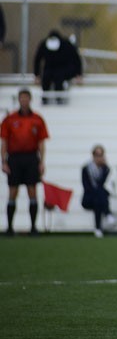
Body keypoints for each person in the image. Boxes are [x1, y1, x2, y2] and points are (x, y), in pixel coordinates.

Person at [1, 89, 48, 235]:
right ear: (18, 100)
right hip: (14, 158)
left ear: (30, 99)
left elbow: (41, 143)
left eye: (26, 98)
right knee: (12, 191)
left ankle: (33, 227)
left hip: (31, 158)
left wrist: (41, 162)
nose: (24, 101)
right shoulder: (10, 119)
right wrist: (4, 161)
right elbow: (4, 141)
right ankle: (9, 227)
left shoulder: (37, 119)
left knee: (32, 191)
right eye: (21, 98)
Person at [33, 29, 82, 105]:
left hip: (64, 69)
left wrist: (78, 74)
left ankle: (59, 98)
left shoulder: (66, 44)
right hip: (49, 69)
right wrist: (37, 75)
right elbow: (37, 59)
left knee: (59, 77)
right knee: (46, 77)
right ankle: (45, 98)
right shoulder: (44, 44)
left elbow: (76, 59)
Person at [81, 144, 115, 237]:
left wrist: (105, 168)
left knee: (98, 202)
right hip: (88, 197)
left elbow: (101, 183)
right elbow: (86, 186)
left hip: (98, 198)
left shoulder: (104, 169)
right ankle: (108, 213)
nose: (99, 157)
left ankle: (98, 228)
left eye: (101, 155)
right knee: (101, 194)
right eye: (97, 155)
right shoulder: (86, 169)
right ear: (93, 156)